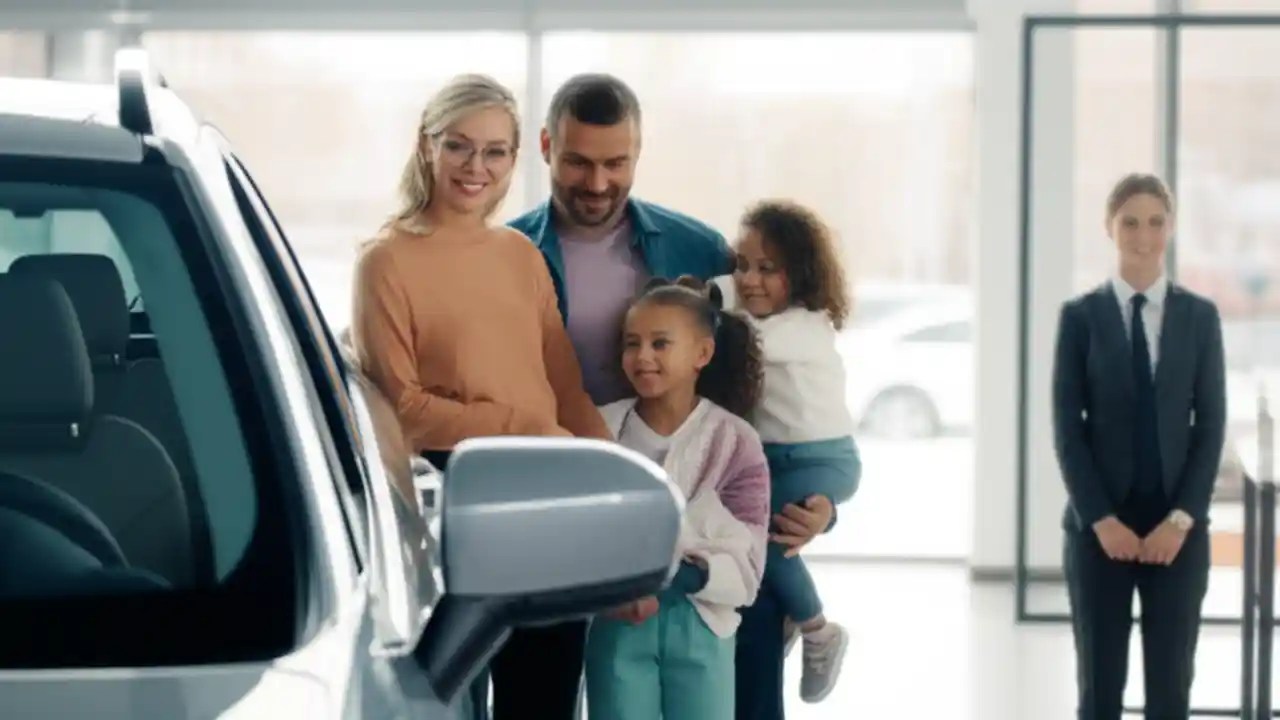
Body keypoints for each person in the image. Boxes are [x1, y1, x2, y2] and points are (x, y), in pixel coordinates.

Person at [349, 73, 609, 720]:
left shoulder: (519, 254)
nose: (476, 167)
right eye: (459, 146)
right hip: (451, 504)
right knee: (451, 707)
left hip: (548, 494)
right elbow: (400, 412)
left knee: (545, 701)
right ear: (426, 146)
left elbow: (566, 388)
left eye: (495, 151)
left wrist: (614, 478)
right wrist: (524, 424)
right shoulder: (385, 261)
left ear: (515, 159)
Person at [1052, 173, 1226, 720]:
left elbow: (1211, 424)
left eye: (1155, 221)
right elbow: (1066, 427)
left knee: (1171, 694)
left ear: (1170, 228)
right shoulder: (1080, 317)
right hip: (1099, 531)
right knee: (1099, 692)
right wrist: (1100, 518)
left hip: (1177, 530)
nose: (1142, 235)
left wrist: (1181, 519)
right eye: (1129, 221)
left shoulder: (1200, 317)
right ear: (1110, 227)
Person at [585, 276, 770, 720]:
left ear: (702, 354)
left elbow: (748, 563)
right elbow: (581, 535)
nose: (643, 356)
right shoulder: (600, 431)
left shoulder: (734, 441)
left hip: (704, 623)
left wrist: (677, 571)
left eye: (660, 343)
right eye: (633, 343)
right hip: (617, 624)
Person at [508, 73, 735, 406]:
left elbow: (741, 378)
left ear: (637, 150)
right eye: (578, 163)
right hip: (547, 449)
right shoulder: (503, 254)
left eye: (615, 164)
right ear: (546, 146)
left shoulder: (701, 251)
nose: (597, 184)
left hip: (671, 455)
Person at [713, 200, 861, 704]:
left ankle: (818, 628)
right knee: (760, 537)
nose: (750, 280)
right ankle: (797, 617)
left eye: (767, 269)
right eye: (742, 265)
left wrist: (700, 299)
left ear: (798, 277)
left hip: (823, 458)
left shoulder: (802, 326)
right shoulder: (767, 314)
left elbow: (739, 340)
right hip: (779, 460)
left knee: (763, 539)